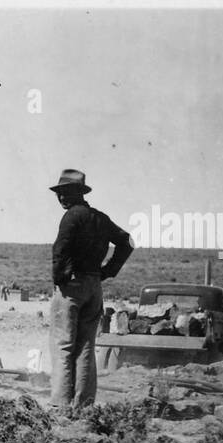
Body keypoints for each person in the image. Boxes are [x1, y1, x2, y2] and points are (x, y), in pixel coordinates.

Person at [48, 169, 134, 411]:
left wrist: (60, 279)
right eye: (60, 193)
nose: (62, 197)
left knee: (63, 344)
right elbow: (127, 242)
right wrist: (107, 271)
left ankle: (61, 405)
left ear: (78, 193)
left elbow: (60, 251)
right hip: (94, 286)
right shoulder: (100, 218)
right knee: (86, 345)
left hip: (71, 287)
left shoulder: (71, 218)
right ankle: (84, 404)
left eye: (66, 192)